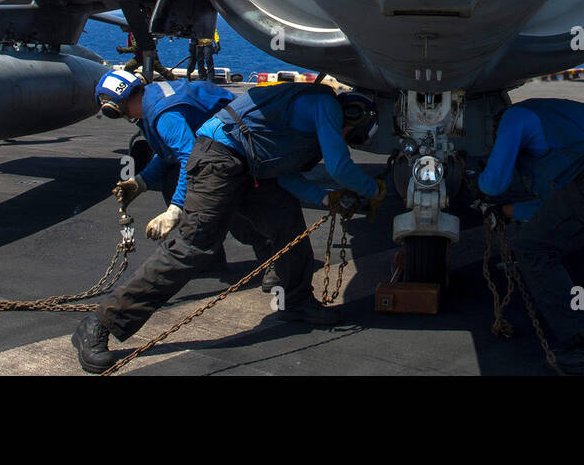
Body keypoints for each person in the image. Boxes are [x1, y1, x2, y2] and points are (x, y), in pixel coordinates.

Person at [73, 81, 386, 373]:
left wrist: (326, 198)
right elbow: (338, 166)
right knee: (193, 247)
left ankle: (296, 300)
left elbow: (284, 175)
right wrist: (374, 191)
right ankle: (102, 323)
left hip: (247, 164)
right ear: (352, 117)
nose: (343, 137)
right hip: (218, 159)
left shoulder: (302, 112)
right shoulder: (326, 106)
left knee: (286, 223)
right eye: (348, 134)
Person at [474, 98, 584, 374]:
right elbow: (559, 206)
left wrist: (478, 186)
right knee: (574, 237)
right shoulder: (566, 118)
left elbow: (493, 184)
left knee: (533, 249)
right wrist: (510, 212)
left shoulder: (513, 118)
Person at [97, 69, 273, 274]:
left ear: (116, 106)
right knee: (172, 180)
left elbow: (190, 160)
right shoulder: (150, 101)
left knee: (232, 210)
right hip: (220, 146)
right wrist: (141, 182)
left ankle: (274, 262)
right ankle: (208, 258)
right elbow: (168, 154)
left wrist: (175, 209)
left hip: (241, 147)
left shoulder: (164, 115)